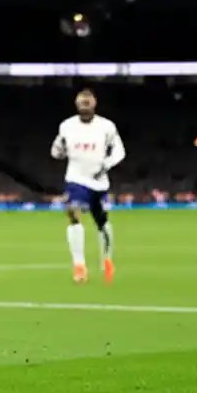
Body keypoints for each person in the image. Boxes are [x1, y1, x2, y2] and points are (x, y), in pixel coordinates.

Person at [50, 89, 125, 284]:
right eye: (81, 100)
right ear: (76, 104)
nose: (85, 103)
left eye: (88, 100)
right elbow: (56, 151)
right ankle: (79, 265)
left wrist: (106, 165)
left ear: (94, 103)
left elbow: (120, 151)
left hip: (98, 181)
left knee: (101, 222)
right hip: (75, 178)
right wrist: (59, 150)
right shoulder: (67, 126)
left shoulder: (106, 126)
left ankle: (107, 261)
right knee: (73, 212)